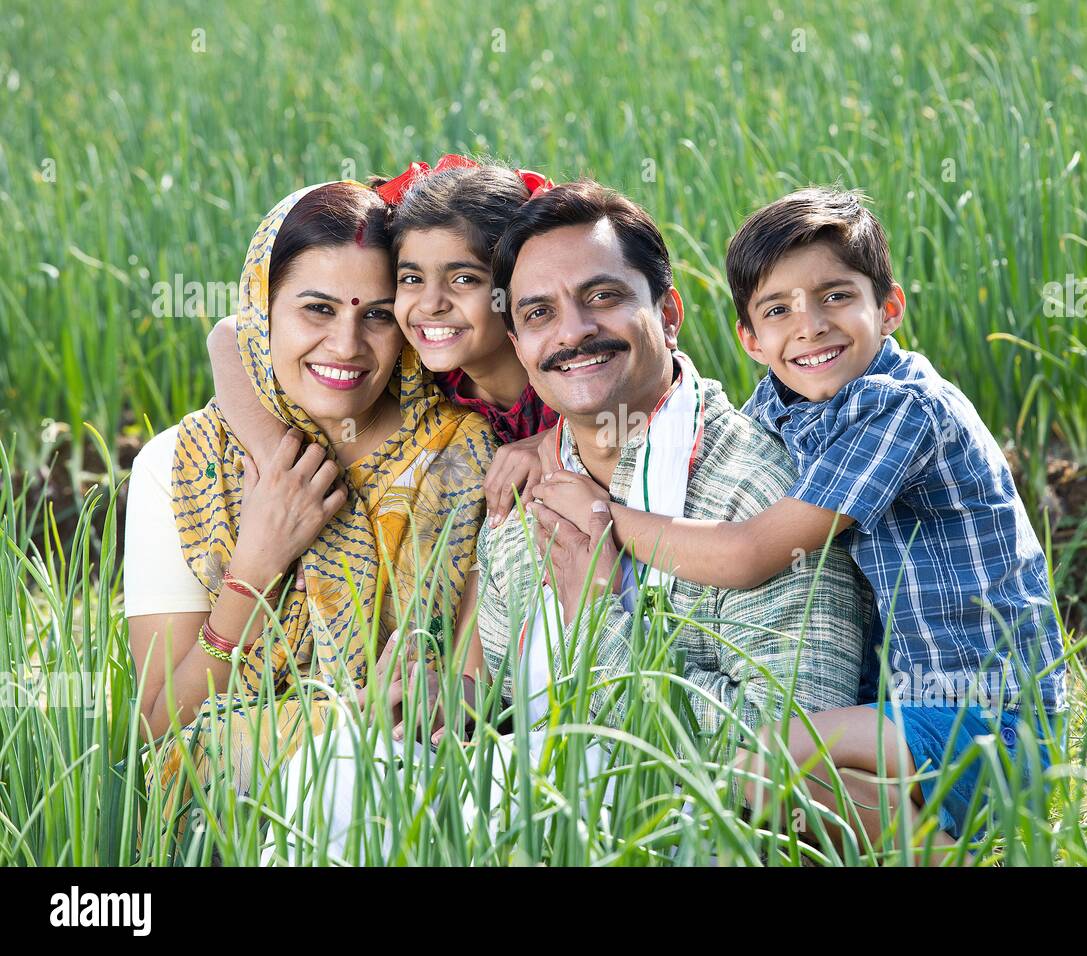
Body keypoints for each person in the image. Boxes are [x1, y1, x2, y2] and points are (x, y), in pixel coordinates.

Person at [532, 186, 1068, 849]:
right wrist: (541, 447)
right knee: (779, 806)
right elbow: (711, 433)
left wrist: (606, 517)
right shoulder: (785, 405)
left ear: (889, 307)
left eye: (835, 296)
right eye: (778, 309)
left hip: (985, 722)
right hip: (897, 723)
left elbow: (751, 550)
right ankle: (939, 840)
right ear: (750, 340)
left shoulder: (900, 408)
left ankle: (939, 858)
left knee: (762, 765)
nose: (809, 325)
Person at [124, 180, 496, 844]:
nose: (347, 345)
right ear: (261, 309)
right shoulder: (184, 465)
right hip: (230, 818)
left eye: (378, 315)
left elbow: (482, 685)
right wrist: (257, 562)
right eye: (317, 309)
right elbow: (155, 725)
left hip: (421, 787)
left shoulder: (462, 451)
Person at [468, 180, 867, 765]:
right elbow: (509, 708)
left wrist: (598, 627)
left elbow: (784, 760)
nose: (572, 331)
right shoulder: (526, 497)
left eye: (602, 296)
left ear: (668, 313)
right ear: (519, 344)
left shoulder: (761, 489)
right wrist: (454, 702)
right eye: (539, 313)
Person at [206, 156, 559, 537]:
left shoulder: (565, 368)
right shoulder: (417, 361)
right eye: (411, 278)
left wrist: (556, 443)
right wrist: (282, 463)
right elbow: (229, 334)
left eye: (463, 278)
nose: (431, 303)